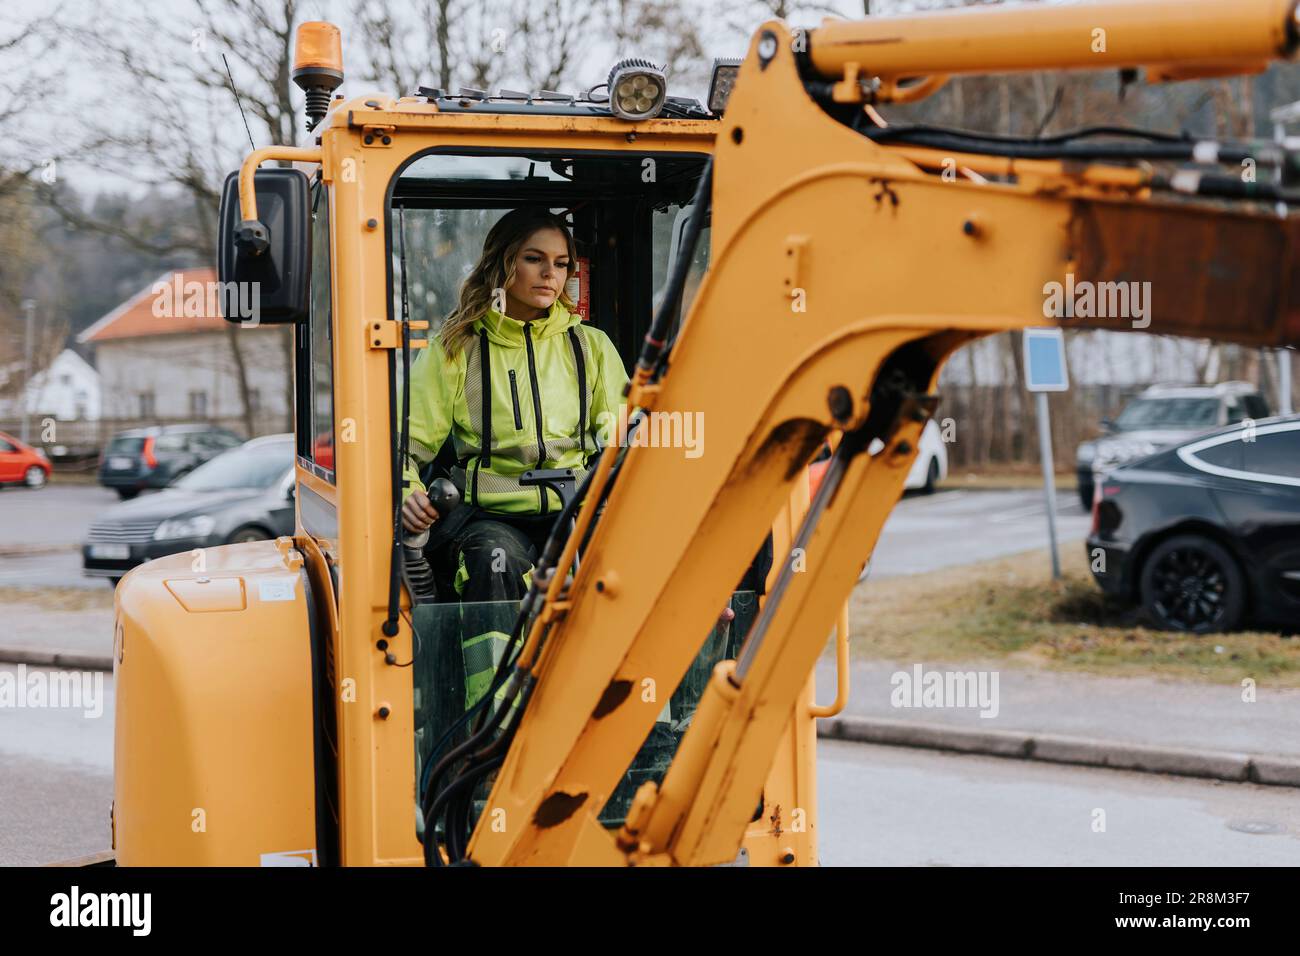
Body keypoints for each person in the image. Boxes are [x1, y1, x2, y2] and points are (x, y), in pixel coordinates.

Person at [400, 207, 628, 709]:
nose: (551, 273)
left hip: (576, 508)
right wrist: (409, 493)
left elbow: (622, 439)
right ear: (504, 265)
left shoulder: (591, 347)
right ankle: (493, 725)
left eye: (562, 263)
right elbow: (405, 449)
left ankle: (633, 722)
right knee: (493, 561)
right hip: (491, 515)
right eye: (534, 259)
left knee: (630, 562)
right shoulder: (453, 349)